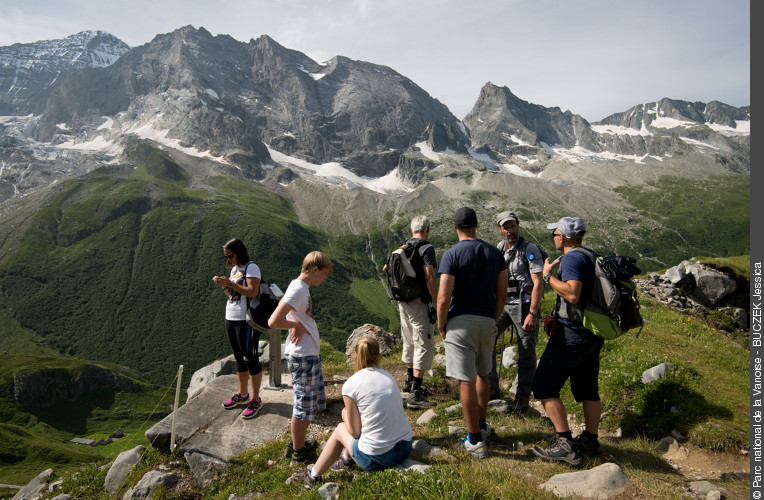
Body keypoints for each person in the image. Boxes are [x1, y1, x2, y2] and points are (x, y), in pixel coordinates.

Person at [531, 217, 603, 467]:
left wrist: (548, 277)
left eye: (554, 233)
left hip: (572, 334)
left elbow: (572, 293)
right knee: (587, 389)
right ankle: (590, 441)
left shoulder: (572, 259)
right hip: (592, 333)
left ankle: (564, 444)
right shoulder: (589, 255)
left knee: (543, 385)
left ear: (562, 237)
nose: (553, 237)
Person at [437, 207, 507, 458]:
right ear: (476, 226)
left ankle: (475, 440)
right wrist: (494, 318)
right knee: (483, 376)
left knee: (465, 379)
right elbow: (502, 293)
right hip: (487, 320)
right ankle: (482, 426)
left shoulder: (451, 254)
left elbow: (444, 297)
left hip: (460, 323)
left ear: (455, 228)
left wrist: (441, 324)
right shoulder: (494, 253)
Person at [301, 337, 413, 488]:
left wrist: (346, 416)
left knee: (342, 428)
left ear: (355, 356)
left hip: (377, 459)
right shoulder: (389, 377)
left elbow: (354, 433)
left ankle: (314, 475)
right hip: (405, 447)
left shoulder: (351, 385)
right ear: (378, 357)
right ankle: (346, 460)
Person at [268, 251, 333, 465]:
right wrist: (295, 325)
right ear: (314, 270)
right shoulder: (298, 289)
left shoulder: (301, 287)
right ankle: (298, 452)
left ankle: (298, 444)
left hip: (307, 353)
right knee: (302, 406)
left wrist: (297, 323)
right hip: (302, 356)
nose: (325, 279)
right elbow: (273, 321)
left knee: (308, 405)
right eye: (323, 274)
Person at [488, 211, 544, 413]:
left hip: (524, 305)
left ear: (518, 226)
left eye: (513, 226)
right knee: (488, 339)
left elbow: (538, 282)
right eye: (506, 227)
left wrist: (533, 313)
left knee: (526, 350)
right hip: (503, 303)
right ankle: (492, 388)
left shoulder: (529, 249)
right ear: (500, 230)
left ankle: (522, 399)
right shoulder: (500, 249)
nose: (510, 231)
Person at [384, 215, 439, 410]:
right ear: (427, 230)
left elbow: (385, 268)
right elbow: (429, 276)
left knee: (408, 339)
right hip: (419, 303)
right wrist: (438, 300)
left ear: (412, 229)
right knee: (424, 341)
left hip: (403, 302)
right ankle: (416, 392)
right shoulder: (426, 248)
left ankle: (408, 381)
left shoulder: (402, 247)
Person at [212, 238, 264, 419]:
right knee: (238, 357)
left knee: (250, 357)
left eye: (230, 255)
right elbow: (231, 295)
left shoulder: (252, 268)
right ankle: (243, 394)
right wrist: (224, 286)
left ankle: (256, 399)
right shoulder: (234, 270)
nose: (228, 258)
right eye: (226, 255)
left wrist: (231, 283)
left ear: (239, 252)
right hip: (231, 316)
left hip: (246, 319)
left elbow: (252, 292)